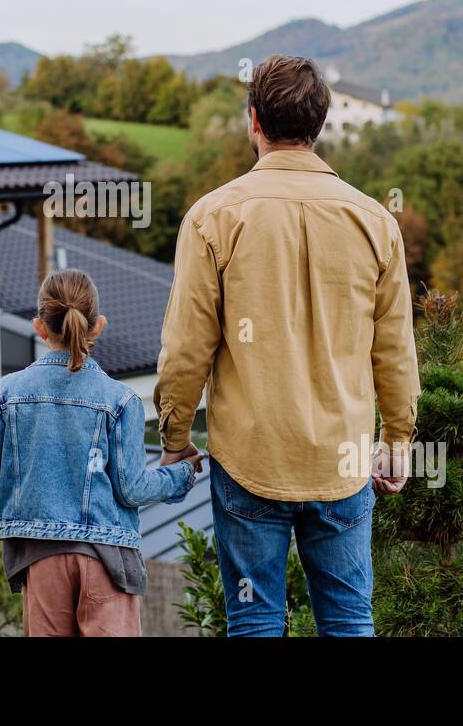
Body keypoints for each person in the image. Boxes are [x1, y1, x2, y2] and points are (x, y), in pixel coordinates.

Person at [154, 55, 420, 637]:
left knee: (254, 622)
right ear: (319, 124)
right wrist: (398, 441)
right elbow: (394, 348)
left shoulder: (211, 218)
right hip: (342, 459)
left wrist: (175, 440)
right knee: (350, 620)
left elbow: (185, 349)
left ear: (254, 121)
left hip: (251, 459)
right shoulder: (375, 222)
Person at [0, 268, 201, 636]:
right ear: (97, 326)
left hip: (42, 558)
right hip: (107, 557)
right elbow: (133, 489)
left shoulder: (9, 393)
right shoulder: (121, 400)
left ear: (40, 327)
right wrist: (180, 474)